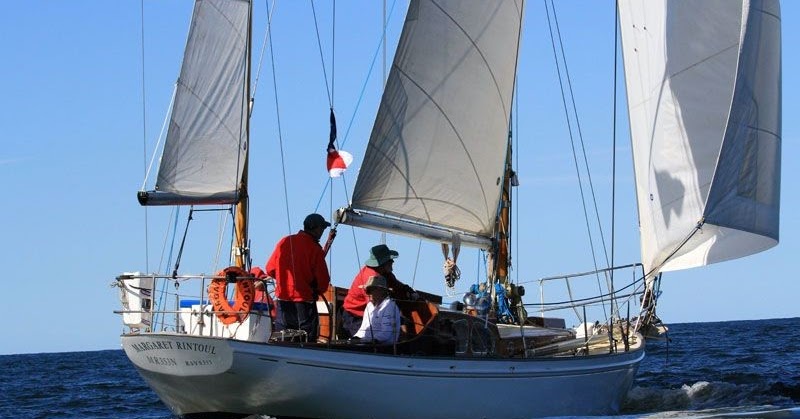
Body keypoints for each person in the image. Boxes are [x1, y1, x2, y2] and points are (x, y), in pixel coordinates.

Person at [265, 213, 331, 341]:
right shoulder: (314, 249)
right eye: (322, 228)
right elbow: (323, 283)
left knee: (283, 339)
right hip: (304, 304)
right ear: (316, 229)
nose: (322, 232)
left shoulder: (284, 241)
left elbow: (270, 269)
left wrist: (285, 281)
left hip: (283, 302)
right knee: (306, 341)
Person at [342, 244, 416, 337]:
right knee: (366, 340)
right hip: (355, 317)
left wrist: (409, 291)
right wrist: (399, 322)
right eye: (390, 260)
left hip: (369, 314)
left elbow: (397, 285)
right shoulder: (371, 277)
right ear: (383, 263)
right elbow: (375, 307)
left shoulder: (385, 273)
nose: (392, 261)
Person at [353, 276, 401, 344]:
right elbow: (363, 329)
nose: (368, 293)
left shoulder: (390, 306)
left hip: (384, 348)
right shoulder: (369, 306)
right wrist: (354, 338)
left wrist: (367, 341)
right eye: (367, 290)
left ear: (382, 291)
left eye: (371, 290)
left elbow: (386, 334)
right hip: (367, 345)